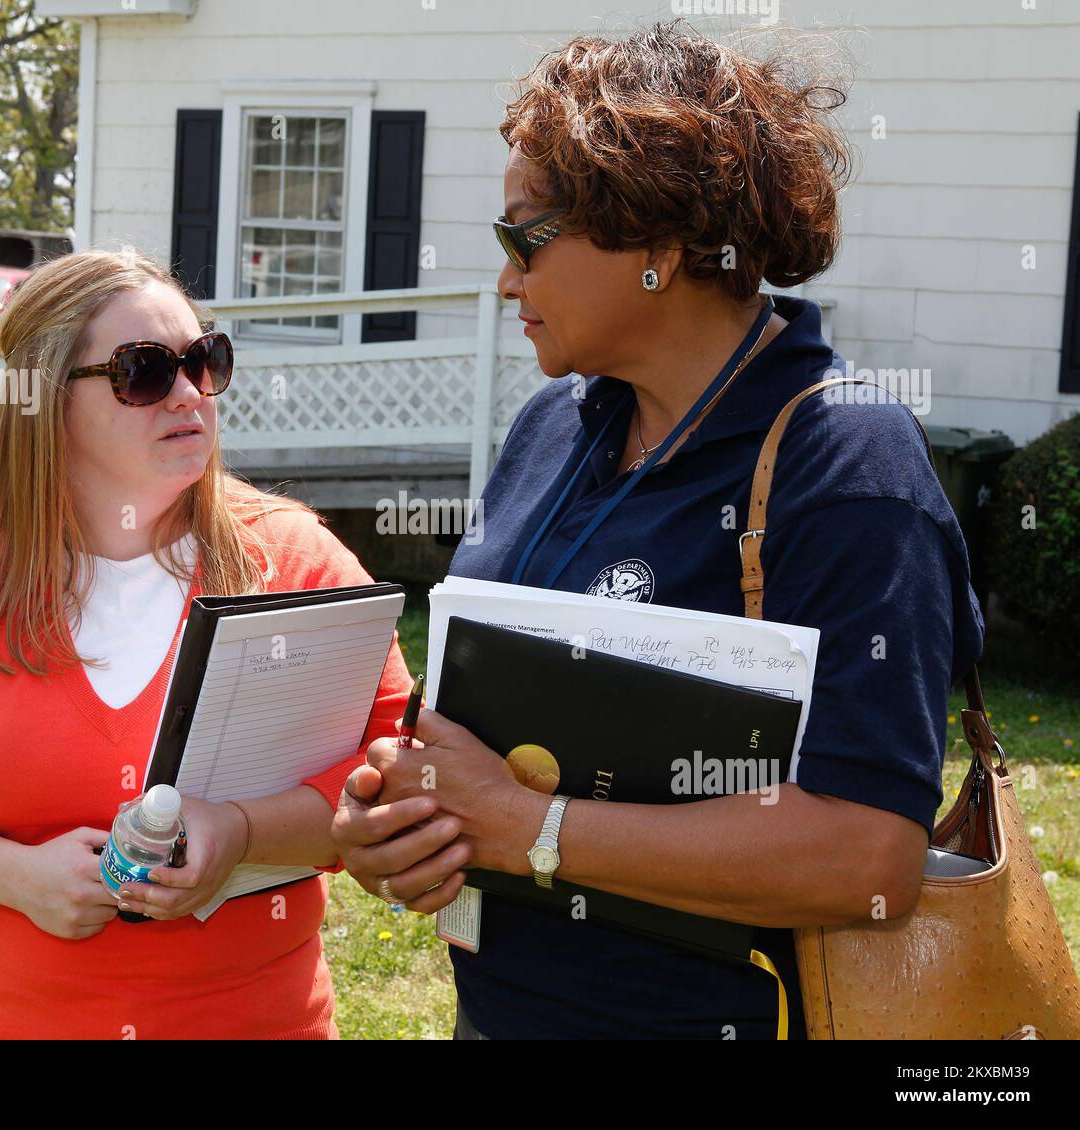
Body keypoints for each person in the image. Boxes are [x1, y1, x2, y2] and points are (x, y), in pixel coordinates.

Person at [333, 23, 984, 1040]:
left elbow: (866, 858)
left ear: (662, 244)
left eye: (524, 237)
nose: (506, 279)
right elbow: (464, 735)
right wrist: (393, 822)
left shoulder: (845, 461)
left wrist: (528, 829)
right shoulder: (557, 423)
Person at [0, 248, 413, 1039]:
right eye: (144, 372)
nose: (188, 393)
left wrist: (243, 831)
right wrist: (15, 877)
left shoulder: (297, 561)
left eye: (204, 361)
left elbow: (393, 764)